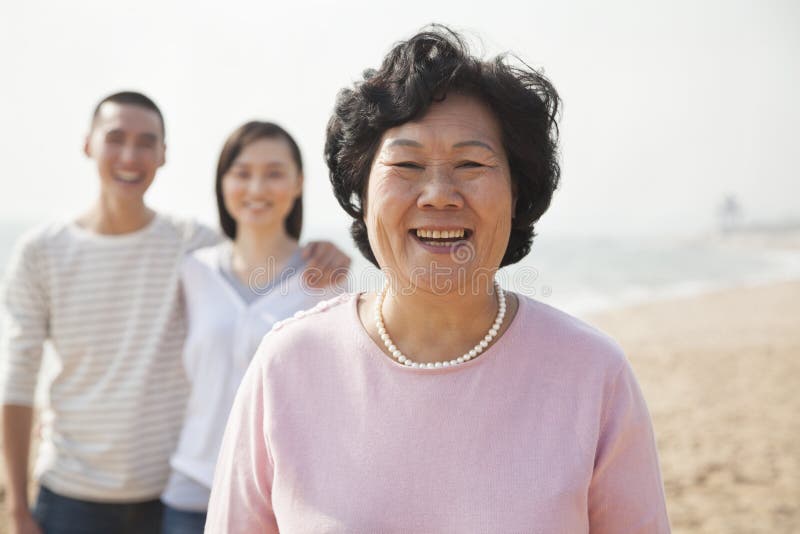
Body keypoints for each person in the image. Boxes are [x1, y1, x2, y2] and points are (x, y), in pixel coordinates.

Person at [205, 26, 671, 533]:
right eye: (406, 164)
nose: (438, 194)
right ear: (361, 192)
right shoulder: (287, 366)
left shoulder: (593, 375)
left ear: (518, 193)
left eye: (471, 163)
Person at [0, 92, 349, 534]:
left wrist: (326, 254)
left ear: (163, 154)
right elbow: (18, 379)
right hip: (72, 494)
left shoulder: (189, 246)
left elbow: (257, 253)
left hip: (163, 490)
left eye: (146, 142)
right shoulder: (41, 252)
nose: (131, 155)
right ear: (87, 143)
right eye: (116, 138)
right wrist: (15, 506)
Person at [159, 121, 343, 533]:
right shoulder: (192, 272)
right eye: (242, 173)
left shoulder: (328, 283)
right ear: (222, 183)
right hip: (192, 490)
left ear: (298, 184)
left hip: (282, 499)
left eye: (274, 173)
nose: (257, 188)